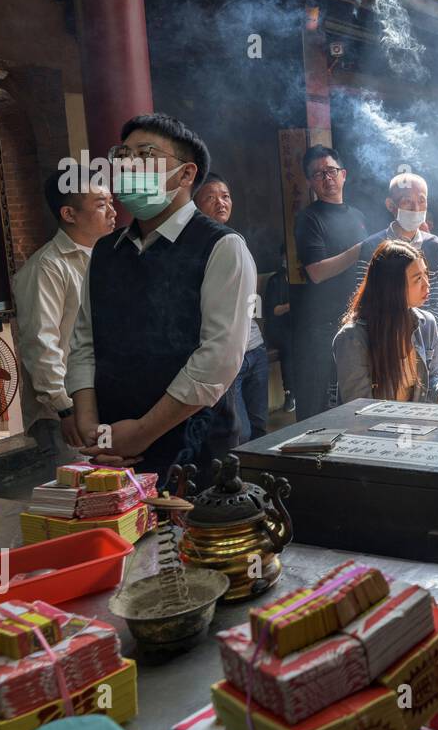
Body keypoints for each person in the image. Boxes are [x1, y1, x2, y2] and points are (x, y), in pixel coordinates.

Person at [66, 113, 256, 484]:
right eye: (122, 154)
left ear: (186, 175)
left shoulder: (221, 247)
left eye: (144, 153)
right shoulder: (106, 250)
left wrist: (141, 432)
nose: (127, 163)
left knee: (190, 539)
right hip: (113, 446)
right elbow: (85, 342)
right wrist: (92, 427)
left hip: (194, 445)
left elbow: (218, 358)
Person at [13, 172, 116, 464]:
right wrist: (66, 408)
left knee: (113, 495)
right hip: (66, 411)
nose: (112, 211)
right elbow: (40, 343)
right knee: (78, 499)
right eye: (100, 204)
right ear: (69, 213)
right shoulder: (47, 267)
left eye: (111, 201)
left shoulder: (107, 258)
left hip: (101, 401)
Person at [293, 145, 368, 419]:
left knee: (351, 399)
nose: (326, 178)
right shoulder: (309, 218)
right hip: (321, 325)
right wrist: (359, 250)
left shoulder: (358, 216)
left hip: (355, 321)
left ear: (343, 174)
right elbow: (316, 272)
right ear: (310, 182)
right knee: (317, 402)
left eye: (331, 171)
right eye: (318, 174)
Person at [195, 173, 268, 442]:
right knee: (239, 433)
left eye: (225, 196)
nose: (220, 202)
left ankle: (261, 482)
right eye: (210, 198)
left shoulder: (235, 240)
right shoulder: (194, 247)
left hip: (255, 348)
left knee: (260, 428)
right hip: (228, 358)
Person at [333, 239, 438, 405]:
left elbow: (433, 377)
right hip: (371, 429)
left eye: (426, 275)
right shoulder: (352, 338)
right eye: (417, 279)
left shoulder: (426, 323)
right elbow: (359, 406)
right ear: (393, 287)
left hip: (417, 426)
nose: (427, 285)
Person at [352, 172, 438, 328]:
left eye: (421, 200)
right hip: (385, 337)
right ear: (390, 205)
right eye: (407, 201)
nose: (416, 208)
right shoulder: (372, 247)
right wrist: (395, 331)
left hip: (426, 343)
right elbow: (365, 300)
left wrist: (423, 331)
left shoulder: (434, 246)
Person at [263, 244, 295, 415]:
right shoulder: (275, 280)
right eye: (287, 256)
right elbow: (273, 311)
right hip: (277, 329)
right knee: (288, 344)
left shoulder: (300, 276)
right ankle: (289, 393)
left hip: (293, 326)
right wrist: (293, 305)